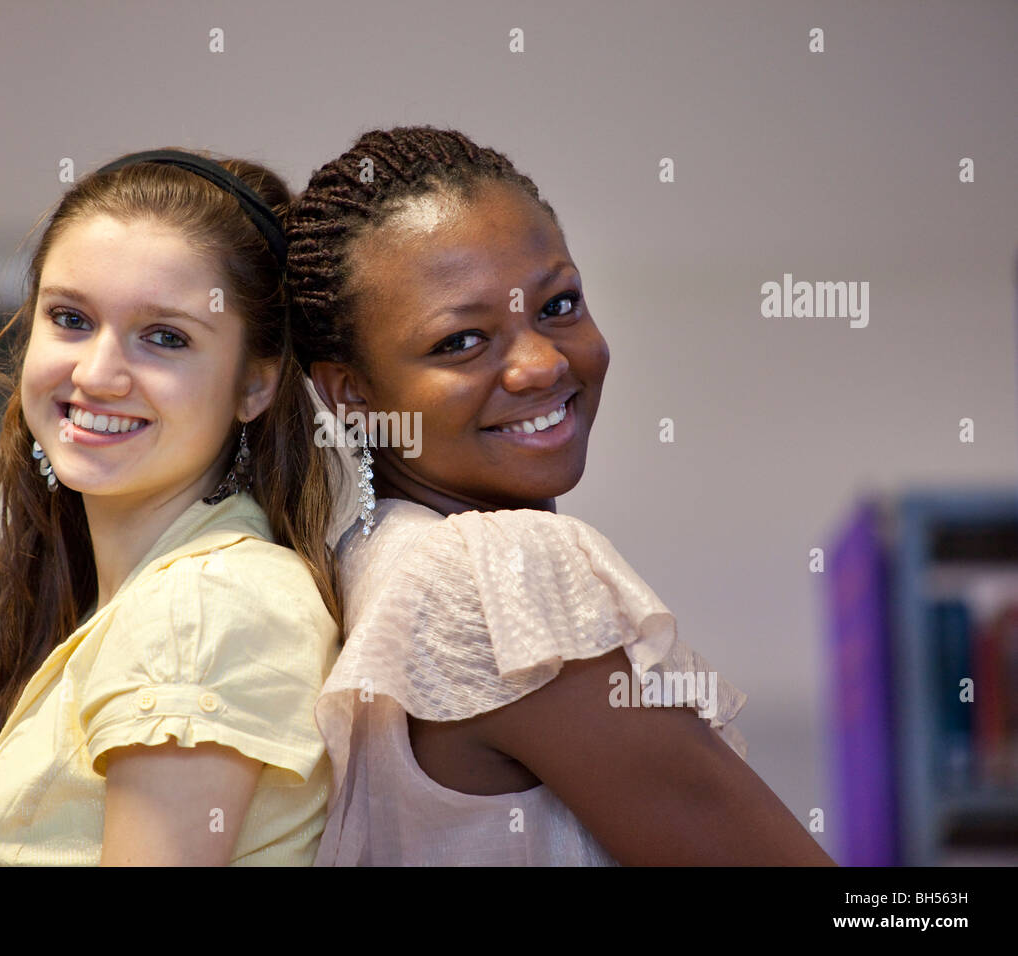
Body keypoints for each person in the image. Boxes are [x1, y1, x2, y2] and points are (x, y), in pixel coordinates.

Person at [286, 126, 836, 865]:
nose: (541, 364)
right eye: (461, 342)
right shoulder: (491, 572)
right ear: (348, 392)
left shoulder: (370, 558)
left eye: (558, 306)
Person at [0, 148, 341, 866]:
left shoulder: (199, 608)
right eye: (70, 318)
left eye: (165, 337)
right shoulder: (150, 595)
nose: (97, 374)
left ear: (256, 385)